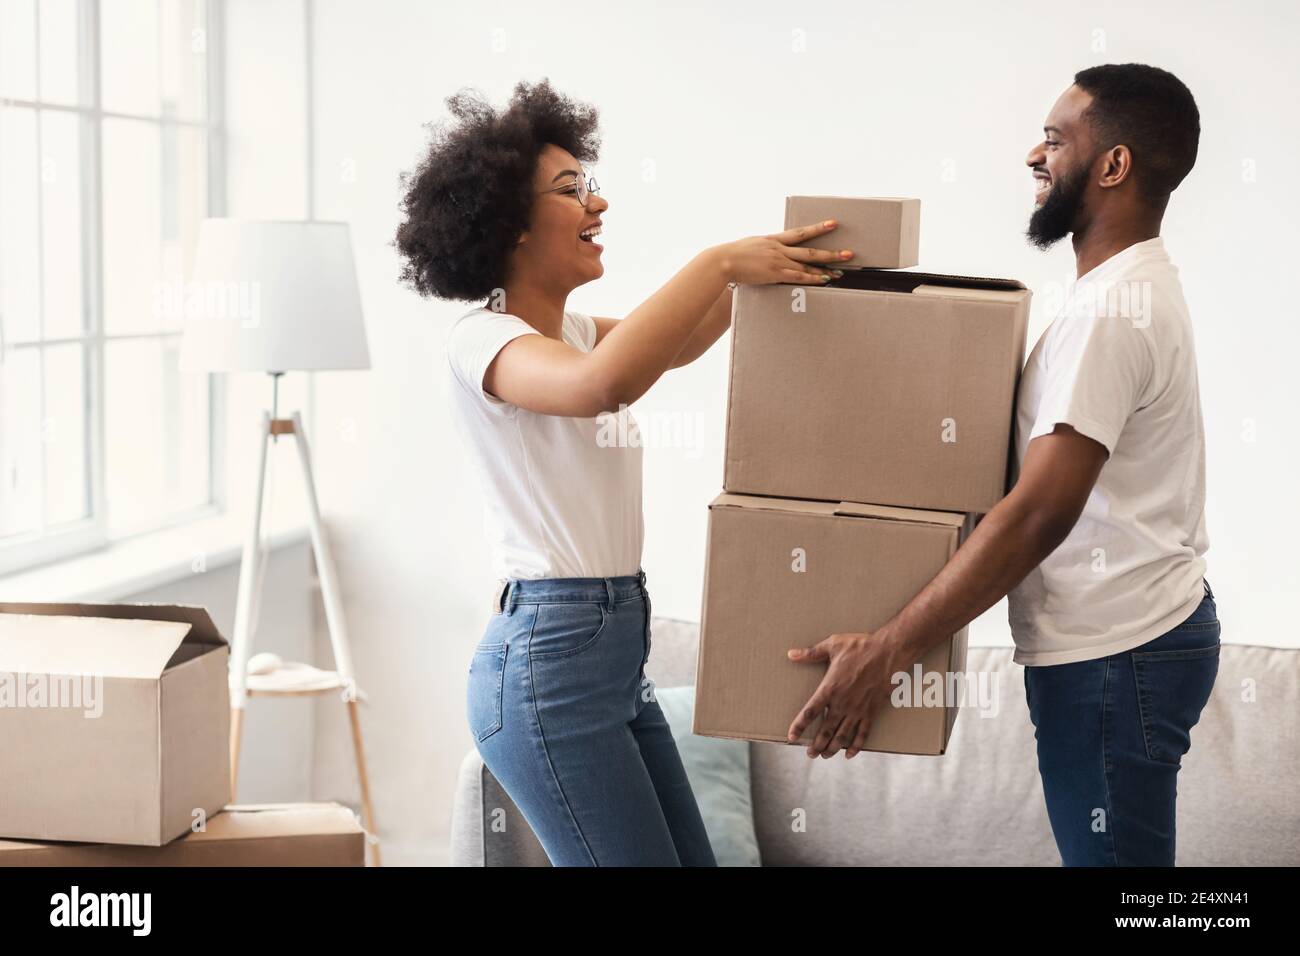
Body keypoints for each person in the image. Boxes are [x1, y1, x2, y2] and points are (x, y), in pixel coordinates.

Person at [395, 79, 852, 866]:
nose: (597, 206)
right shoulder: (481, 341)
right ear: (506, 221)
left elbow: (681, 342)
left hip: (607, 651)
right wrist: (716, 263)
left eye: (591, 186)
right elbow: (600, 386)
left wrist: (764, 270)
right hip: (549, 663)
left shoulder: (570, 328)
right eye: (572, 190)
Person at [787, 63, 1215, 867]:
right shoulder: (1122, 292)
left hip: (1117, 654)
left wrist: (888, 652)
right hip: (1128, 645)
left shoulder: (1110, 315)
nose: (1033, 155)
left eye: (1056, 139)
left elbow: (1040, 512)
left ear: (1114, 165)